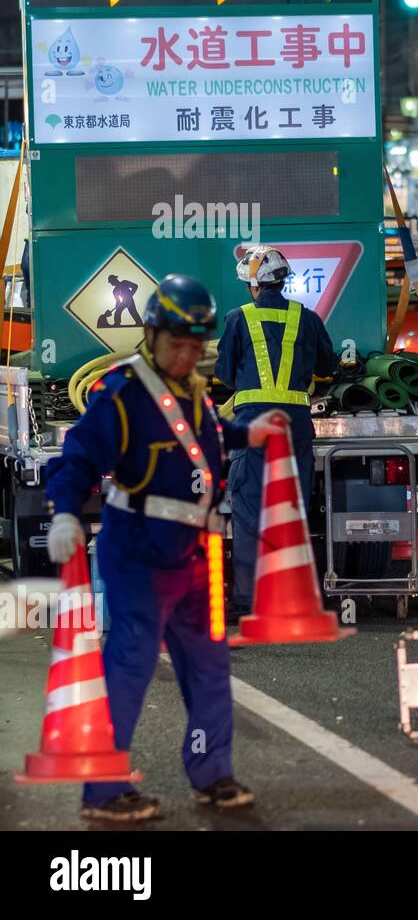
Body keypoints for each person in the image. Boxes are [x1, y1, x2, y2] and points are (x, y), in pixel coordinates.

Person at [44, 275, 284, 822]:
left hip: (196, 555)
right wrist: (62, 513)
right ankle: (104, 791)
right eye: (178, 345)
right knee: (127, 667)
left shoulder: (192, 391)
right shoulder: (121, 392)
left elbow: (204, 442)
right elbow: (78, 455)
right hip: (138, 554)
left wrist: (249, 432)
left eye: (196, 348)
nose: (186, 356)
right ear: (152, 335)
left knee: (209, 666)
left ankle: (212, 774)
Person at [213, 246, 337, 616]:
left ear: (254, 283)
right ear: (283, 281)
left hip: (253, 427)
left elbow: (222, 373)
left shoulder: (239, 318)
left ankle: (250, 601)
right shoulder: (307, 318)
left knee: (251, 511)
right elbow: (328, 367)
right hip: (295, 427)